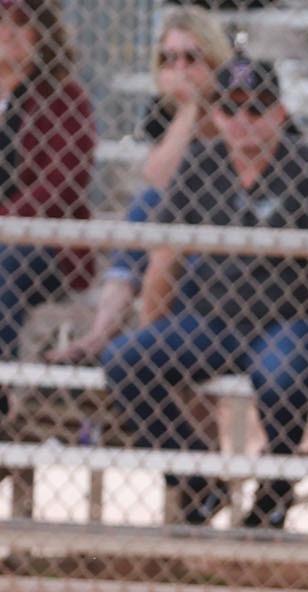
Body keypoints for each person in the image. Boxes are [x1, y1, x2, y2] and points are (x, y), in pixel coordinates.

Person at [100, 57, 308, 528]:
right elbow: (164, 262)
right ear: (215, 115)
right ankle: (197, 478)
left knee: (280, 377)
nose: (242, 121)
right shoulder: (201, 165)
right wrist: (155, 331)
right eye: (230, 109)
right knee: (125, 360)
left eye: (257, 109)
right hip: (210, 322)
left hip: (284, 322)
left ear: (279, 113)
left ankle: (275, 490)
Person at [47, 5, 232, 365]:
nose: (179, 70)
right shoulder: (163, 109)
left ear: (213, 60)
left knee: (151, 203)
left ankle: (113, 340)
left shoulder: (238, 103)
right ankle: (99, 335)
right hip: (177, 222)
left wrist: (197, 106)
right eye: (168, 59)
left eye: (191, 58)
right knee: (148, 202)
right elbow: (160, 175)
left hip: (230, 219)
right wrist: (187, 111)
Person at [0, 0, 95, 403]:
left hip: (46, 243)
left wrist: (5, 221)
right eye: (0, 21)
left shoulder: (64, 99)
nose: (8, 31)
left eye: (22, 23)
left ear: (44, 35)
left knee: (4, 265)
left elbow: (62, 182)